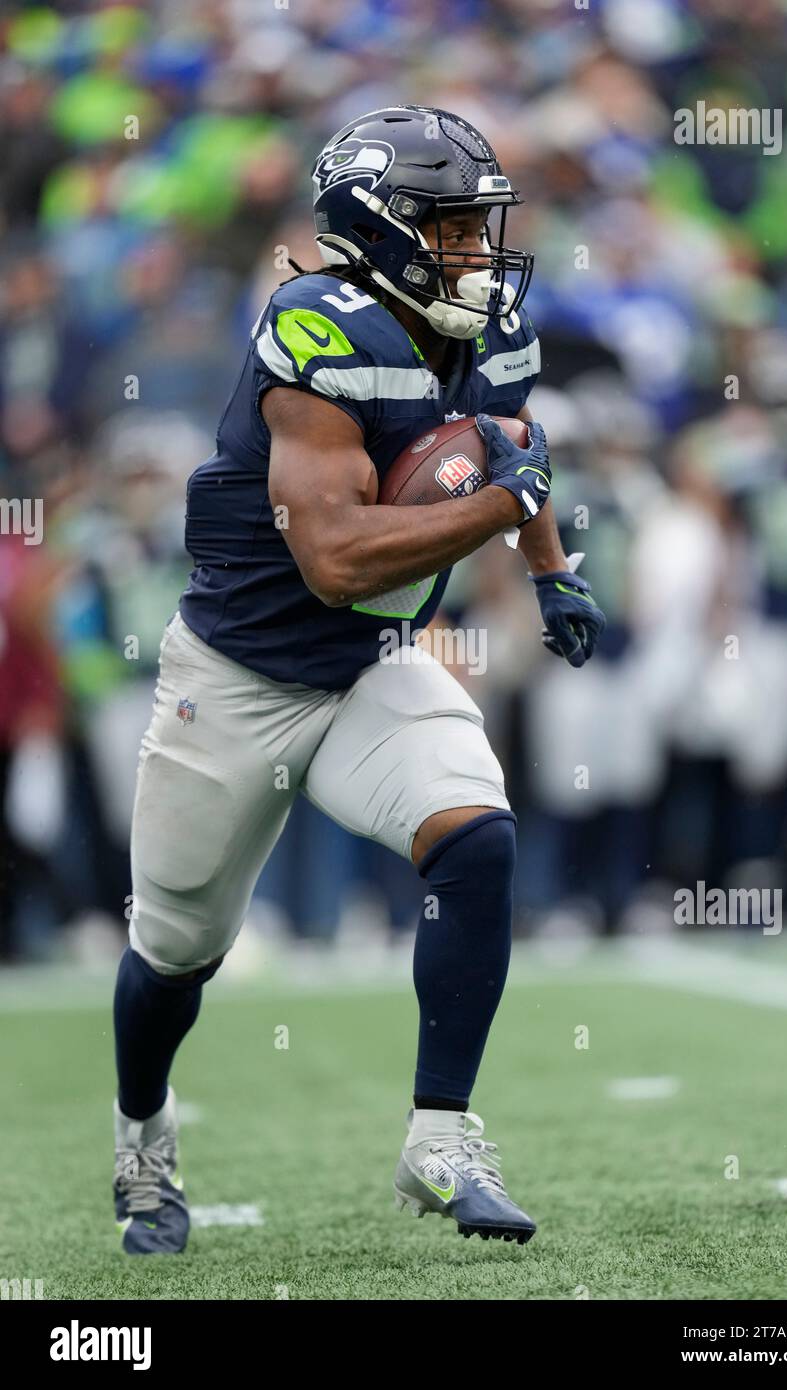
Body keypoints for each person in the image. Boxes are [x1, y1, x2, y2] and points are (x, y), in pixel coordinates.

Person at [112, 105, 605, 1253]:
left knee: (476, 836)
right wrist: (506, 510)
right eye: (451, 231)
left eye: (482, 231)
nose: (478, 255)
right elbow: (334, 560)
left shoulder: (485, 330)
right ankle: (143, 1138)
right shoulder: (317, 331)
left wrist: (550, 572)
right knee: (174, 953)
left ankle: (440, 1135)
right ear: (377, 231)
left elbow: (508, 443)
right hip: (236, 677)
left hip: (367, 667)